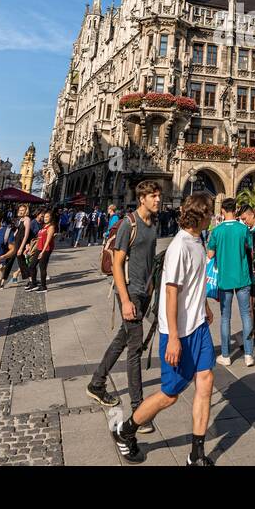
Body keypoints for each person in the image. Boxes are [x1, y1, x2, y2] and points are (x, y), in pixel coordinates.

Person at [112, 193, 219, 465]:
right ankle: (127, 430)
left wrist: (204, 305)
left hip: (198, 327)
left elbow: (195, 282)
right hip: (178, 332)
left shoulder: (199, 239)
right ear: (201, 215)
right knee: (170, 395)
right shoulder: (179, 246)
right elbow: (171, 294)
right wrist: (172, 337)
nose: (213, 217)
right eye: (210, 213)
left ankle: (196, 454)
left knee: (206, 382)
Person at [87, 181, 163, 428]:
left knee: (123, 339)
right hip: (129, 291)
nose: (158, 200)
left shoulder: (154, 224)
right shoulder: (128, 224)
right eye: (153, 196)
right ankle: (138, 409)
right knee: (134, 350)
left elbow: (149, 259)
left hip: (143, 291)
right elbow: (118, 264)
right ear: (142, 198)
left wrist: (151, 287)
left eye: (158, 196)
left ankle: (97, 383)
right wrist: (126, 300)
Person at [207, 198, 255, 367]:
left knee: (225, 317)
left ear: (222, 211)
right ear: (235, 210)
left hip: (224, 279)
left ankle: (226, 355)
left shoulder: (217, 230)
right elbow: (251, 252)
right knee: (245, 315)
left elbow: (210, 254)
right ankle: (249, 355)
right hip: (242, 278)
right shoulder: (243, 229)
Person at [30, 211, 55, 292]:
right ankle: (34, 284)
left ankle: (44, 286)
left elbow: (48, 240)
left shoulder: (51, 227)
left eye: (47, 217)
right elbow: (39, 238)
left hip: (46, 249)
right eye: (44, 217)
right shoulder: (43, 226)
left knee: (42, 267)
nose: (45, 218)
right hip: (39, 248)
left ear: (51, 217)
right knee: (32, 265)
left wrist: (43, 252)